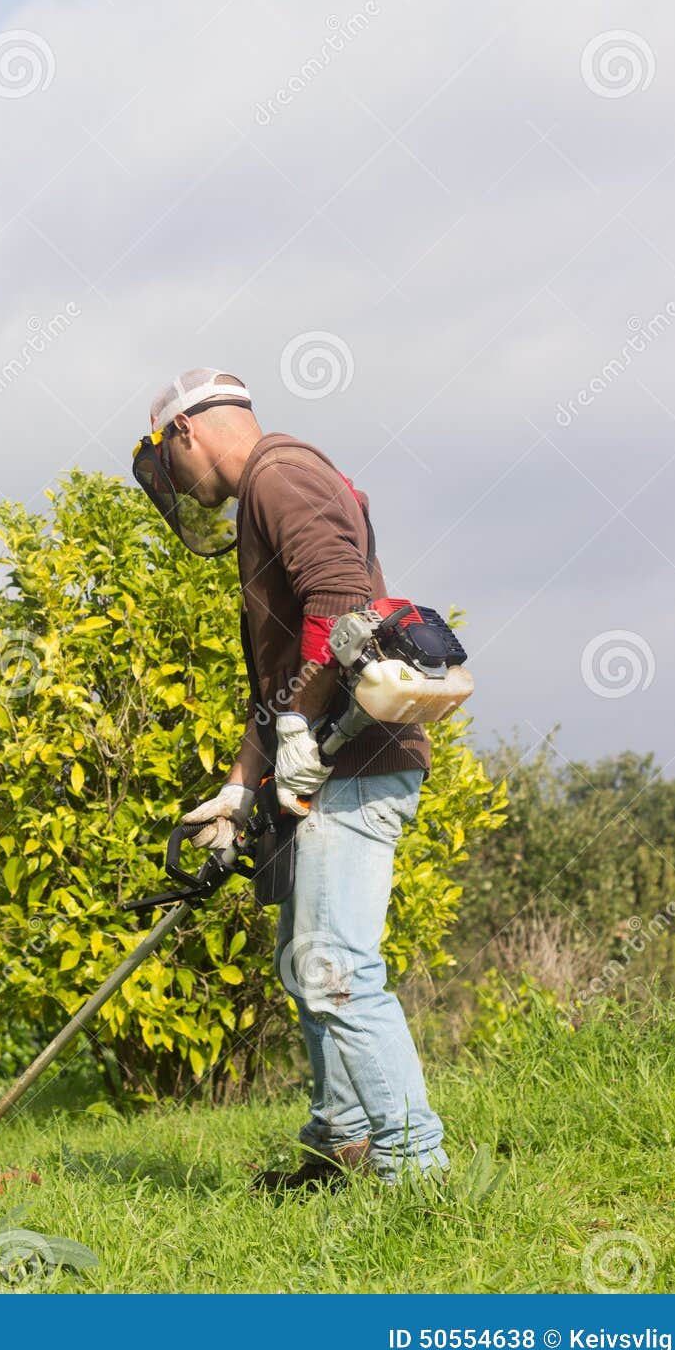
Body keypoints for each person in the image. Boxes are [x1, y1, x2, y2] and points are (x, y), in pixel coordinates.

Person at [133, 367, 448, 1191]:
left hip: (357, 760)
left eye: (172, 469)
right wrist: (243, 784)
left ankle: (418, 1176)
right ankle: (338, 1144)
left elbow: (342, 605)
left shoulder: (280, 474)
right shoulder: (276, 483)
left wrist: (301, 728)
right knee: (306, 967)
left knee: (336, 969)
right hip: (326, 761)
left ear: (185, 433)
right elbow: (284, 671)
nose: (185, 493)